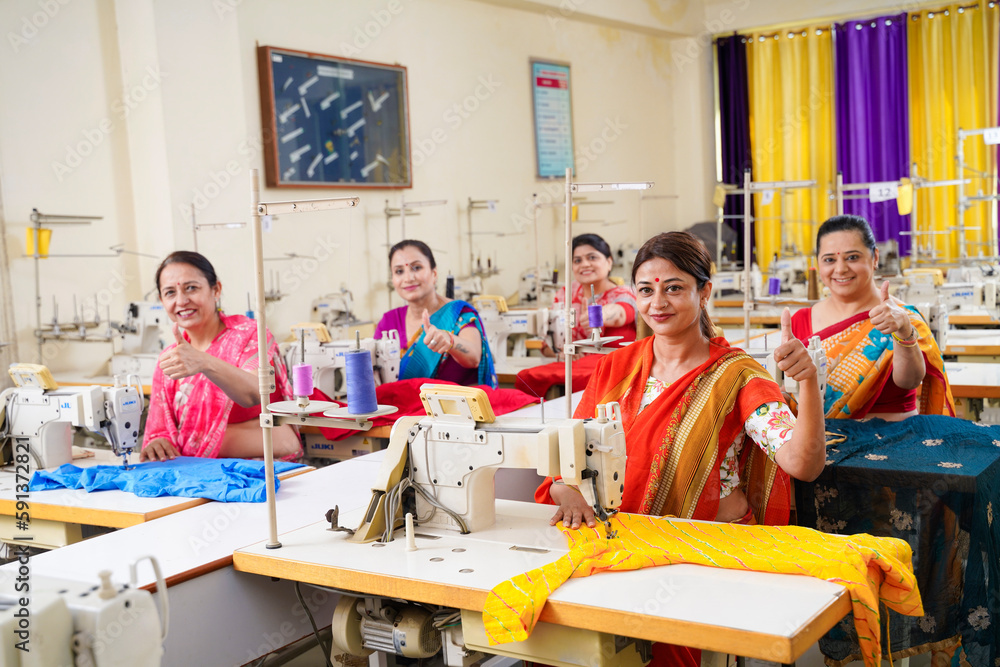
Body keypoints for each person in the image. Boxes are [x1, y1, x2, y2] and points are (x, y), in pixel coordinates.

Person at [535, 231, 828, 667]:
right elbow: (573, 450)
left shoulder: (738, 376)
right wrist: (563, 486)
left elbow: (803, 465)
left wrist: (807, 385)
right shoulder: (617, 365)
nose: (658, 303)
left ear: (704, 292)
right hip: (628, 537)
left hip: (705, 551)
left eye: (674, 288)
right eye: (646, 290)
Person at [790, 215, 955, 420]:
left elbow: (910, 381)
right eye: (829, 260)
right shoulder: (799, 321)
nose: (840, 269)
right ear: (818, 264)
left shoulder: (902, 317)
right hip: (824, 446)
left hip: (895, 442)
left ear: (875, 257)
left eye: (852, 257)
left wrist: (904, 331)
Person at [141, 251, 301, 461]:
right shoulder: (171, 359)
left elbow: (255, 394)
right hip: (198, 476)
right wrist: (158, 443)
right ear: (162, 300)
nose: (181, 300)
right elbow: (159, 431)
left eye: (191, 288)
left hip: (261, 476)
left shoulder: (247, 334)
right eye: (170, 292)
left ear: (216, 290)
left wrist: (205, 362)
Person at [375, 240, 497, 388]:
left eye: (417, 268)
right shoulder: (389, 321)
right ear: (393, 279)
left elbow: (474, 358)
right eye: (399, 271)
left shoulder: (459, 314)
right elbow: (375, 368)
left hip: (455, 407)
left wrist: (450, 341)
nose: (408, 278)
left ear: (434, 274)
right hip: (405, 408)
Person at [548, 233, 636, 351]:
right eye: (577, 260)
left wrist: (597, 316)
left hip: (608, 366)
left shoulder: (625, 293)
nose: (584, 264)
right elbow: (547, 346)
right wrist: (561, 352)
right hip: (570, 366)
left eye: (592, 257)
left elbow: (620, 313)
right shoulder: (566, 294)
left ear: (609, 262)